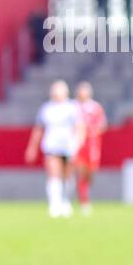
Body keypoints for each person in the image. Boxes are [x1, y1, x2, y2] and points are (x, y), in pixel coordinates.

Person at [24, 80, 85, 217]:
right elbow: (39, 129)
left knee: (67, 176)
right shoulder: (46, 108)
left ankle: (65, 201)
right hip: (52, 145)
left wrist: (77, 144)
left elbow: (80, 128)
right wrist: (32, 147)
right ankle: (54, 203)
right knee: (53, 174)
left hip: (69, 146)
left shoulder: (72, 107)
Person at [73, 81, 107, 215]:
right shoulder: (73, 106)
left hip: (92, 144)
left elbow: (103, 124)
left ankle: (84, 191)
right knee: (80, 170)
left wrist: (93, 131)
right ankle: (83, 199)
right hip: (78, 144)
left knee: (91, 172)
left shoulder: (96, 107)